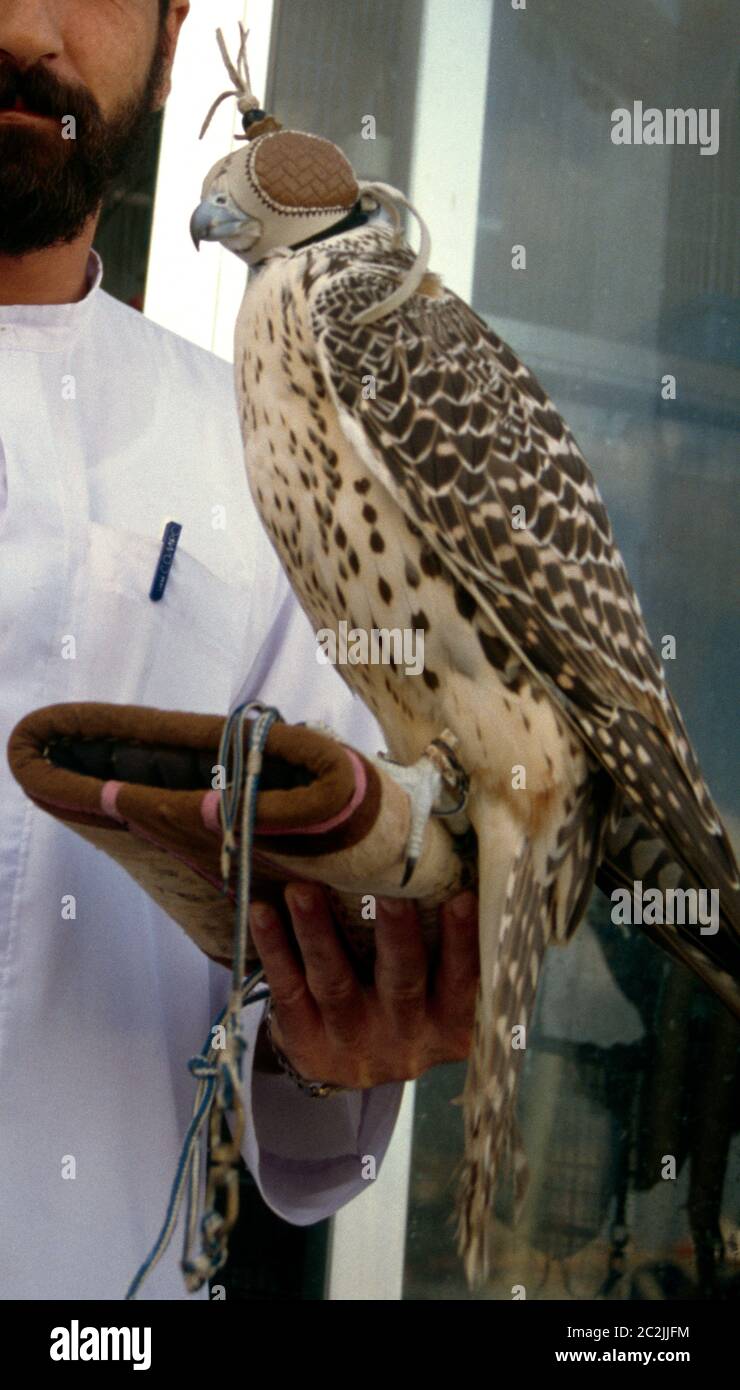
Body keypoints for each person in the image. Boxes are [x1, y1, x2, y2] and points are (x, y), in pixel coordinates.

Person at [0, 0, 479, 1299]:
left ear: (168, 37)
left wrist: (342, 1030)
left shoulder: (261, 466)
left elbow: (294, 998)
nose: (25, 21)